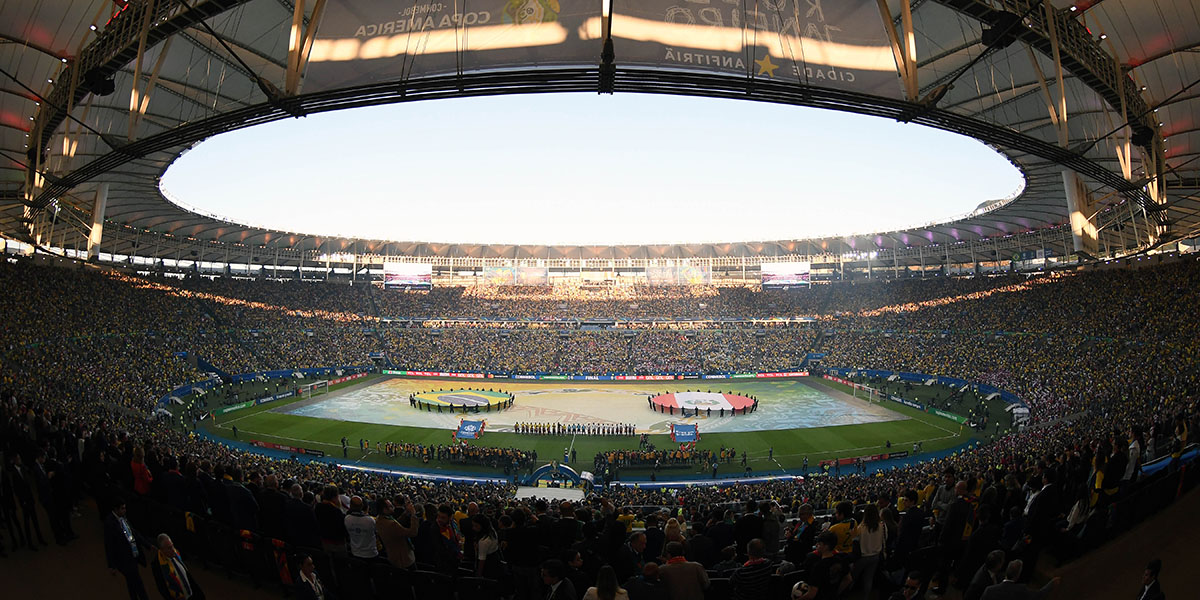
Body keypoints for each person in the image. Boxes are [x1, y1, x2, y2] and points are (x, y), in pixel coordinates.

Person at [104, 501, 149, 600]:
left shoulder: (122, 517)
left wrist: (147, 544)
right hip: (124, 559)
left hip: (131, 555)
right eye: (122, 508)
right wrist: (111, 565)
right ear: (116, 509)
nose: (125, 510)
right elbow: (109, 545)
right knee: (138, 583)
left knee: (131, 582)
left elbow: (133, 532)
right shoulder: (109, 523)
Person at [152, 533, 204, 600]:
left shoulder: (176, 554)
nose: (173, 550)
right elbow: (162, 589)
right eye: (169, 548)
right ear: (162, 550)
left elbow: (187, 575)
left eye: (172, 546)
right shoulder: (157, 565)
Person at [850, 504, 886, 599]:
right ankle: (866, 597)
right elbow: (884, 539)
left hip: (863, 556)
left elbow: (854, 540)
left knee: (853, 577)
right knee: (868, 578)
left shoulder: (861, 527)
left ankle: (847, 594)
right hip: (875, 556)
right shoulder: (881, 526)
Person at [979, 560, 1059, 600]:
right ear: (1018, 575)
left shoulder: (989, 590)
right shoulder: (1021, 590)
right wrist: (1052, 583)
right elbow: (1039, 594)